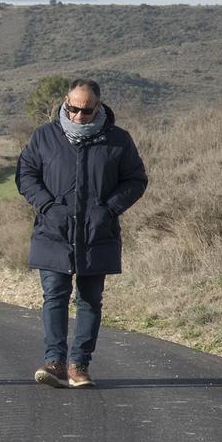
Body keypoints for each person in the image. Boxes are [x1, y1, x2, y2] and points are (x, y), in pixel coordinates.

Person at [16, 79, 147, 389]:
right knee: (54, 296)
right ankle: (55, 362)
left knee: (90, 300)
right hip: (53, 232)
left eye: (86, 111)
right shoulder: (44, 136)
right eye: (73, 108)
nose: (78, 116)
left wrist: (108, 209)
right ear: (66, 101)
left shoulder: (118, 140)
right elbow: (26, 175)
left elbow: (136, 180)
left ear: (98, 107)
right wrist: (48, 207)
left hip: (97, 233)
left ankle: (79, 365)